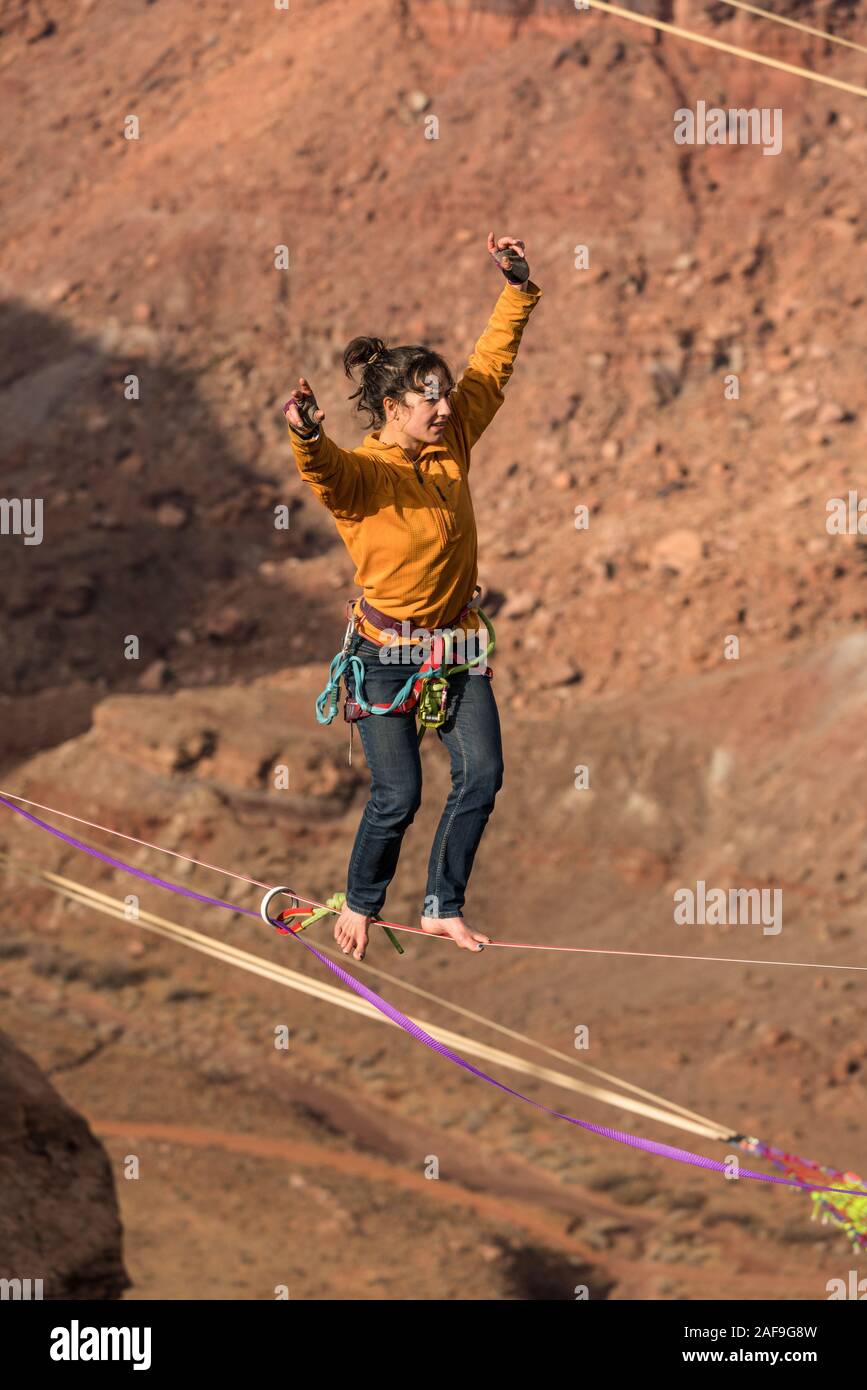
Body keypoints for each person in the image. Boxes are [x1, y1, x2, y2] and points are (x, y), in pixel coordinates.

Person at [284, 232, 542, 960]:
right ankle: (361, 903)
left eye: (444, 394)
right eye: (430, 397)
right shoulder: (364, 477)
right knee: (398, 796)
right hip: (384, 657)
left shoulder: (449, 441)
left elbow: (490, 367)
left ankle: (440, 906)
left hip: (454, 645)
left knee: (482, 774)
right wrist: (307, 436)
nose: (445, 406)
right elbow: (324, 471)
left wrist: (516, 291)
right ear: (393, 408)